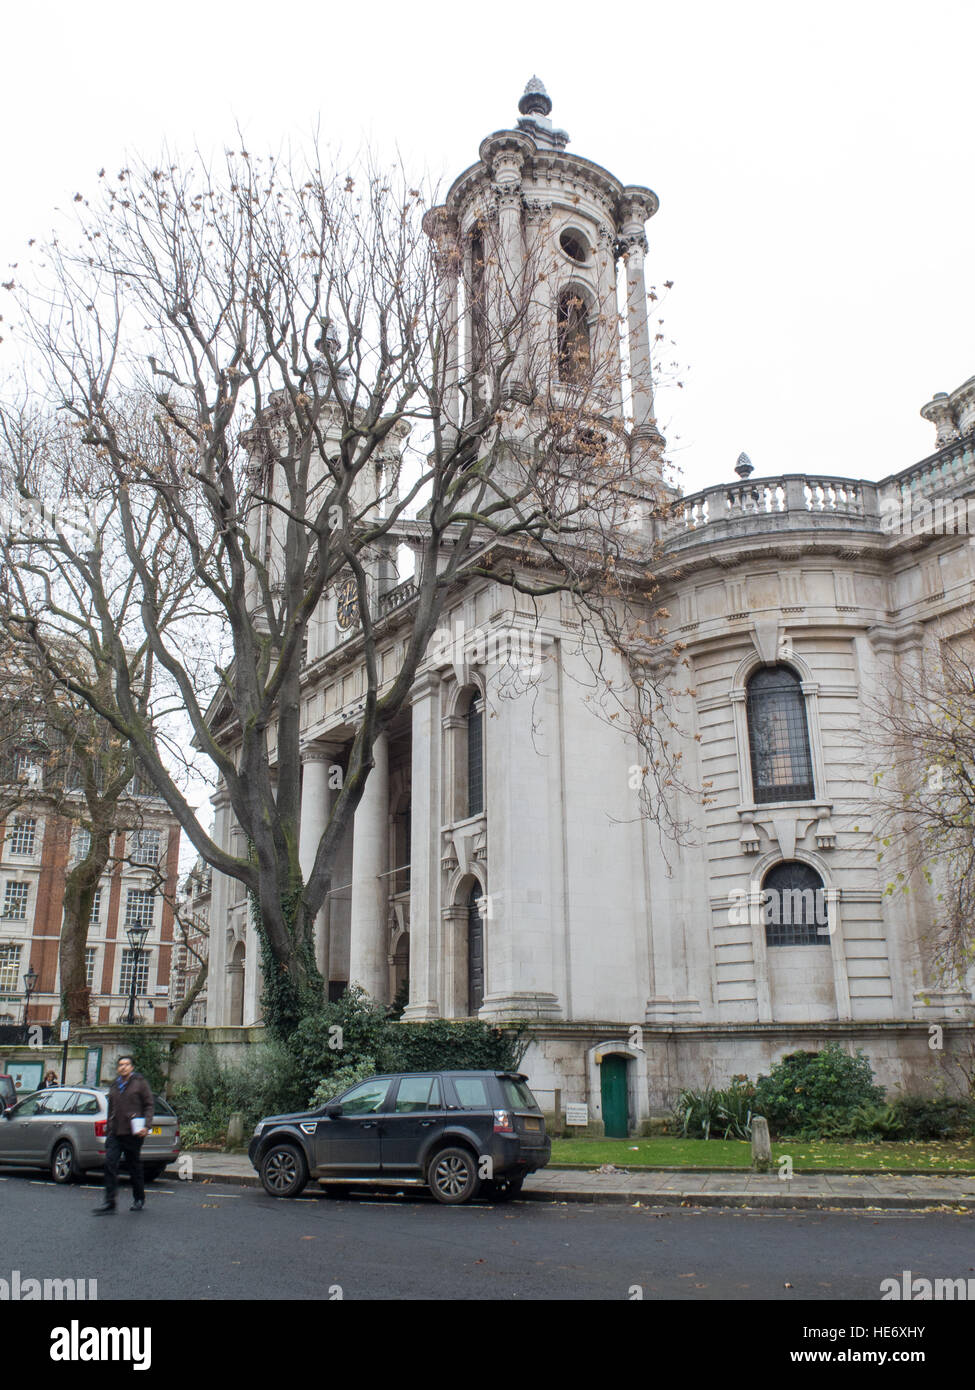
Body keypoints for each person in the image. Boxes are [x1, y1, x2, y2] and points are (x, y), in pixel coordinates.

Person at [92, 1055, 154, 1214]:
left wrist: (146, 1125)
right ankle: (110, 1202)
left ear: (132, 1067)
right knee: (110, 1164)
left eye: (127, 1064)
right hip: (115, 1132)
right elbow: (111, 1109)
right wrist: (109, 1128)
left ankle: (139, 1198)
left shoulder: (140, 1083)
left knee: (134, 1167)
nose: (123, 1067)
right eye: (121, 1065)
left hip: (133, 1132)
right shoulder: (115, 1085)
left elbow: (149, 1105)